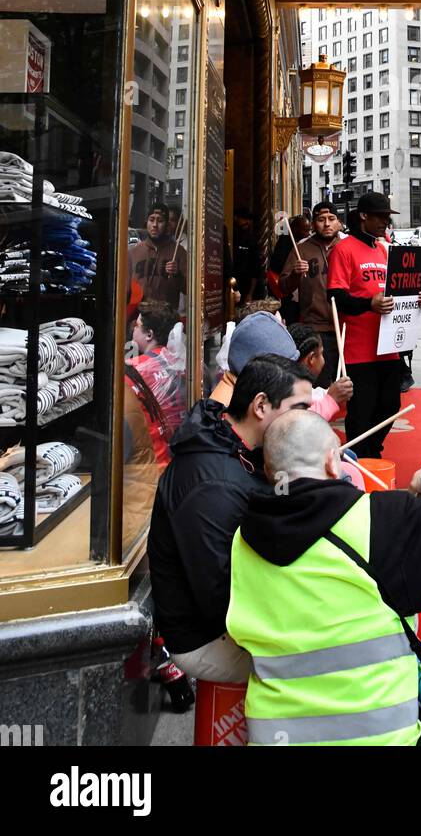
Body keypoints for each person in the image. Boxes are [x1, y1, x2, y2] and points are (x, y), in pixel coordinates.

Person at [227, 410, 421, 746]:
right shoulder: (378, 519)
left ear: (269, 472)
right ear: (332, 463)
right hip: (383, 738)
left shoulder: (242, 539)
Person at [147, 355, 313, 682]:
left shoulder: (229, 437)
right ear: (261, 406)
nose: (308, 423)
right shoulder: (213, 485)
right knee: (336, 654)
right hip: (206, 638)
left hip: (229, 610)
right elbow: (222, 599)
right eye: (300, 411)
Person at [327, 192, 421, 458]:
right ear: (363, 217)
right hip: (359, 351)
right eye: (381, 217)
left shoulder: (383, 250)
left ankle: (373, 450)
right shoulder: (343, 249)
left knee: (389, 406)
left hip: (389, 346)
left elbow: (394, 291)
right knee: (361, 411)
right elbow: (335, 297)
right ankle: (360, 458)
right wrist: (368, 304)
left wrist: (414, 298)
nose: (386, 222)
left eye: (387, 217)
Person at [280, 202, 345, 381]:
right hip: (316, 328)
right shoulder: (301, 248)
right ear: (313, 223)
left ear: (339, 222)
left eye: (331, 219)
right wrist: (295, 274)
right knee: (320, 385)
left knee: (349, 387)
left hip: (347, 326)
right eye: (320, 220)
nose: (326, 224)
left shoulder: (348, 246)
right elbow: (283, 287)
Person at [125, 301, 184, 466]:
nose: (133, 329)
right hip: (179, 454)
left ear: (149, 334)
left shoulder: (134, 369)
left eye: (137, 325)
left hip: (151, 461)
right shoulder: (181, 363)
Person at [128, 205, 187, 308]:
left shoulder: (178, 252)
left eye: (160, 221)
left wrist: (177, 274)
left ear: (167, 225)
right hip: (139, 319)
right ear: (147, 223)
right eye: (151, 220)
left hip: (167, 319)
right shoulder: (133, 252)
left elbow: (190, 290)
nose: (155, 225)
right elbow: (124, 291)